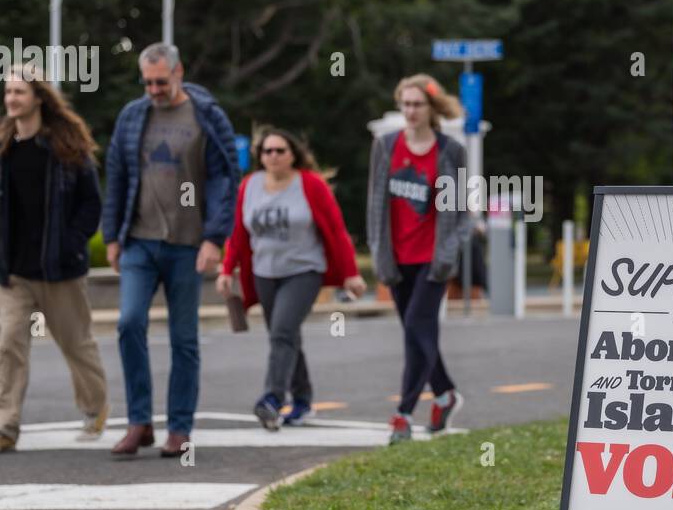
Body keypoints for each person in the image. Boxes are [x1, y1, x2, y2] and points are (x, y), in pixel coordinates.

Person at [102, 42, 238, 457]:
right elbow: (117, 175)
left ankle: (179, 428)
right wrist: (112, 236)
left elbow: (224, 178)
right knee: (128, 323)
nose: (154, 90)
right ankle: (139, 422)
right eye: (147, 82)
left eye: (161, 81)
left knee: (184, 339)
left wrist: (215, 238)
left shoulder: (206, 115)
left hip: (187, 244)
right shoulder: (133, 115)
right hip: (140, 241)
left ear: (179, 73)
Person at [0, 65, 109, 454]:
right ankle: (4, 426)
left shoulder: (67, 146)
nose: (11, 99)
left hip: (60, 269)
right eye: (7, 92)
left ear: (38, 98)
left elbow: (90, 204)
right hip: (14, 272)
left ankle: (95, 408)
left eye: (18, 91)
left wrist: (72, 242)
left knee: (75, 343)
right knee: (10, 346)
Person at [218, 128, 366, 429]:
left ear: (293, 155)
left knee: (282, 332)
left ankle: (272, 399)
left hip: (303, 271)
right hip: (264, 272)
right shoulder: (250, 185)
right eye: (267, 151)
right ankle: (302, 400)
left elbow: (336, 230)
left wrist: (350, 273)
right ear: (261, 156)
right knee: (285, 337)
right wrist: (226, 270)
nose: (273, 156)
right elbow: (238, 233)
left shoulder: (310, 185)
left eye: (280, 151)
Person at [366, 74, 471, 444]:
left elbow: (461, 212)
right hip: (397, 259)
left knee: (416, 327)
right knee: (418, 332)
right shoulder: (385, 146)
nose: (410, 111)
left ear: (432, 108)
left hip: (433, 260)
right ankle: (444, 395)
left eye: (417, 104)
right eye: (405, 104)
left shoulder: (450, 151)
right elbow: (374, 204)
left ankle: (403, 414)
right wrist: (379, 252)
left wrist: (449, 252)